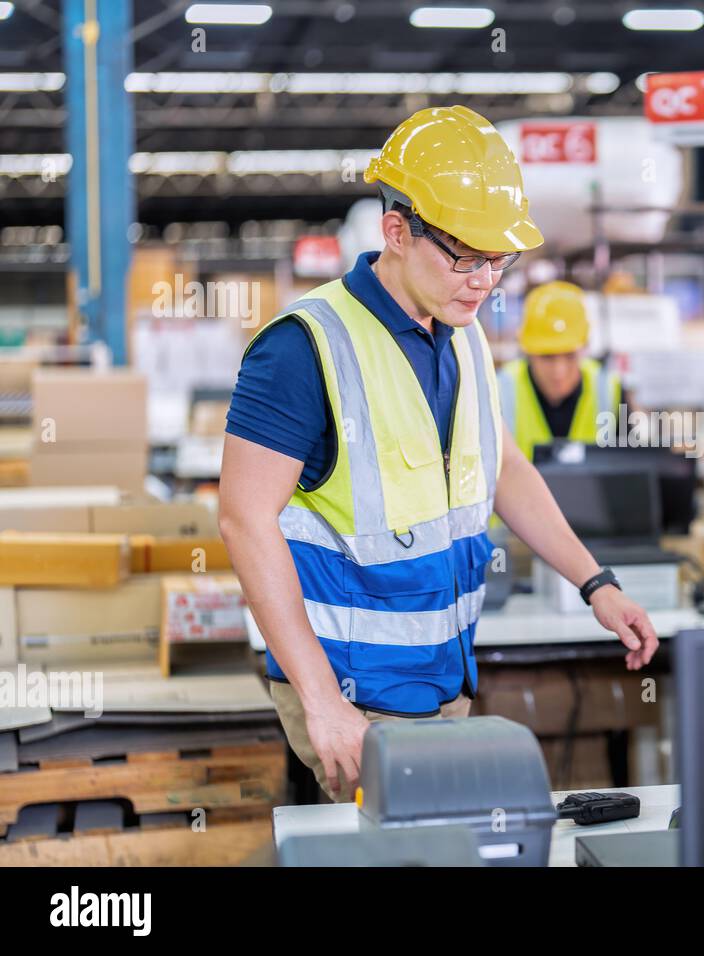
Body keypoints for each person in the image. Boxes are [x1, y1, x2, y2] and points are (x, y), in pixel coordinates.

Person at [219, 106, 658, 801]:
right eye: (464, 255)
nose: (484, 280)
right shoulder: (304, 347)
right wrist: (323, 702)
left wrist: (595, 583)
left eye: (498, 259)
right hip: (355, 699)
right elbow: (244, 519)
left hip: (441, 682)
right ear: (396, 231)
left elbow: (504, 465)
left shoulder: (463, 333)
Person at [496, 281, 621, 462]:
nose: (558, 371)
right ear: (528, 352)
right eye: (547, 356)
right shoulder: (499, 391)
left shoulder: (609, 389)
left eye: (570, 356)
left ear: (585, 348)